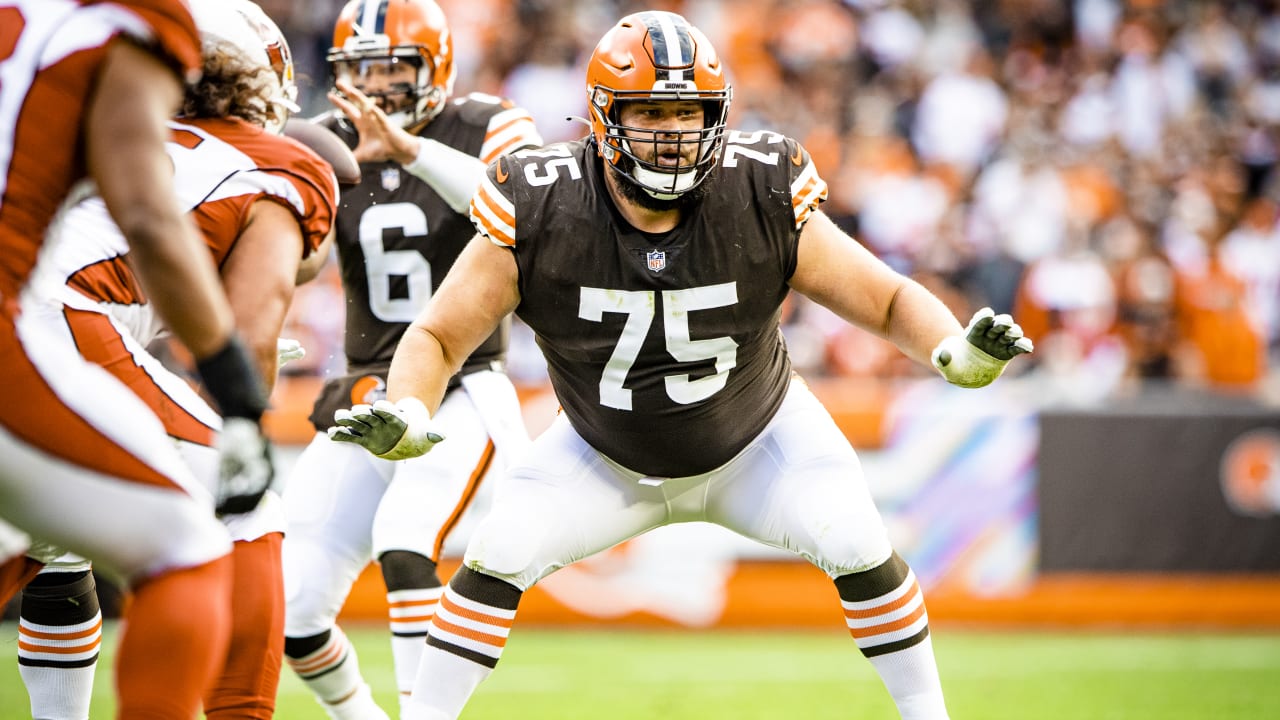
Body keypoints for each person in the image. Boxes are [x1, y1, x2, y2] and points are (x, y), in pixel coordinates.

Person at [330, 11, 1033, 720]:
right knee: (500, 549)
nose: (673, 134)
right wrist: (413, 408)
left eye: (689, 113)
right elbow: (439, 336)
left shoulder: (758, 186)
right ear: (605, 120)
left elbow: (884, 300)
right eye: (652, 112)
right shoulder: (542, 198)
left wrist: (950, 349)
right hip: (603, 453)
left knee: (856, 538)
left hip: (758, 439)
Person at [8, 2, 339, 719]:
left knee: (46, 532)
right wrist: (241, 406)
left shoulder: (93, 125)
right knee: (244, 514)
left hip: (44, 314)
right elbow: (249, 326)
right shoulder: (281, 161)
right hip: (49, 322)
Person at [278, 1, 542, 718]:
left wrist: (408, 149)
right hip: (369, 394)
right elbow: (285, 254)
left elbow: (520, 210)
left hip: (465, 388)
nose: (380, 83)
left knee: (405, 539)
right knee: (294, 607)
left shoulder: (489, 122)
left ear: (438, 64)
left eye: (395, 63)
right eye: (361, 67)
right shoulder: (326, 140)